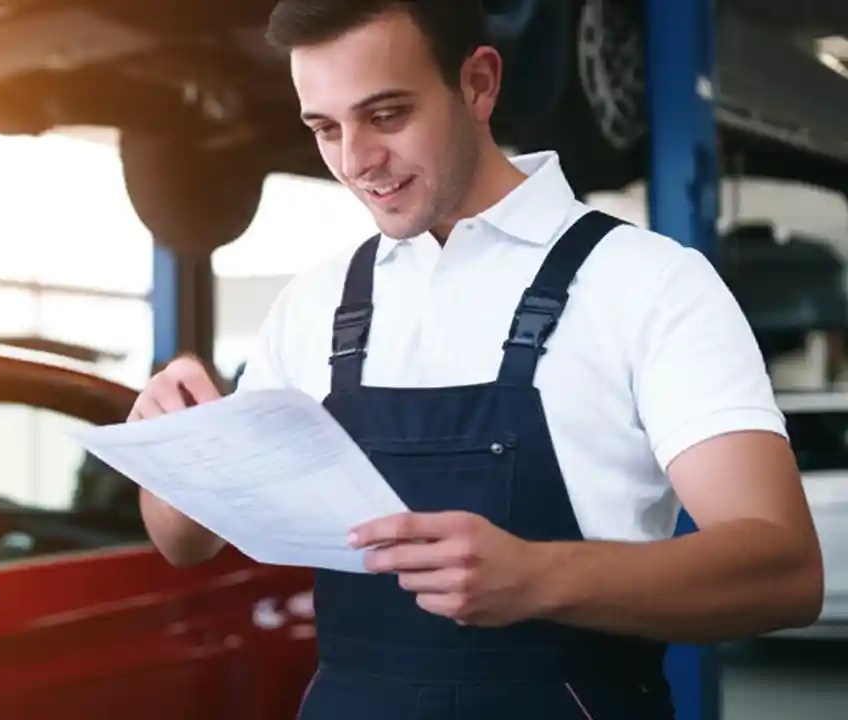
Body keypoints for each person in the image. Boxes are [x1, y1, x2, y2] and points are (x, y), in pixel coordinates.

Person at [130, 1, 824, 717]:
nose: (355, 161)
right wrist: (174, 446)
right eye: (325, 128)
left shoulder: (647, 284)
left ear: (478, 84)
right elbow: (187, 542)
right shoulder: (314, 305)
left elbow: (784, 570)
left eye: (388, 115)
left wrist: (537, 577)